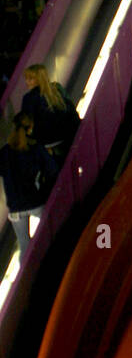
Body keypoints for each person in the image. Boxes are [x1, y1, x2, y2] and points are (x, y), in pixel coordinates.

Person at [0, 112, 58, 256]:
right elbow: (52, 170)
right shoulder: (36, 149)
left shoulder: (4, 152)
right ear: (30, 128)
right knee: (52, 230)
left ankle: (29, 269)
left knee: (24, 244)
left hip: (15, 207)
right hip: (35, 202)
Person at [21, 62, 80, 164]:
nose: (27, 82)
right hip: (71, 134)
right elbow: (71, 109)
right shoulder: (57, 88)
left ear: (39, 79)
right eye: (26, 78)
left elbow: (26, 122)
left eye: (30, 79)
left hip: (49, 142)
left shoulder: (29, 98)